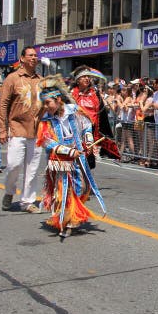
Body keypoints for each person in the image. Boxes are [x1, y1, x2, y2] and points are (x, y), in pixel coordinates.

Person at [36, 75, 106, 238]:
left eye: (48, 103)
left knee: (81, 186)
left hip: (78, 157)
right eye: (44, 104)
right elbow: (47, 142)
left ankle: (73, 216)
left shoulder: (73, 112)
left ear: (58, 99)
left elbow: (87, 126)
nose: (46, 107)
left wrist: (88, 140)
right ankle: (66, 219)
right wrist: (68, 151)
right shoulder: (47, 120)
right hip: (60, 160)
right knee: (63, 190)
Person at [0, 46, 43, 213]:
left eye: (35, 55)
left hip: (36, 131)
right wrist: (3, 129)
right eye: (30, 55)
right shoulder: (12, 78)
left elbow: (47, 103)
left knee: (32, 169)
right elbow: (3, 105)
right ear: (22, 58)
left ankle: (27, 202)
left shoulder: (41, 80)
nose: (34, 58)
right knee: (13, 165)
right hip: (17, 128)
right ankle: (9, 191)